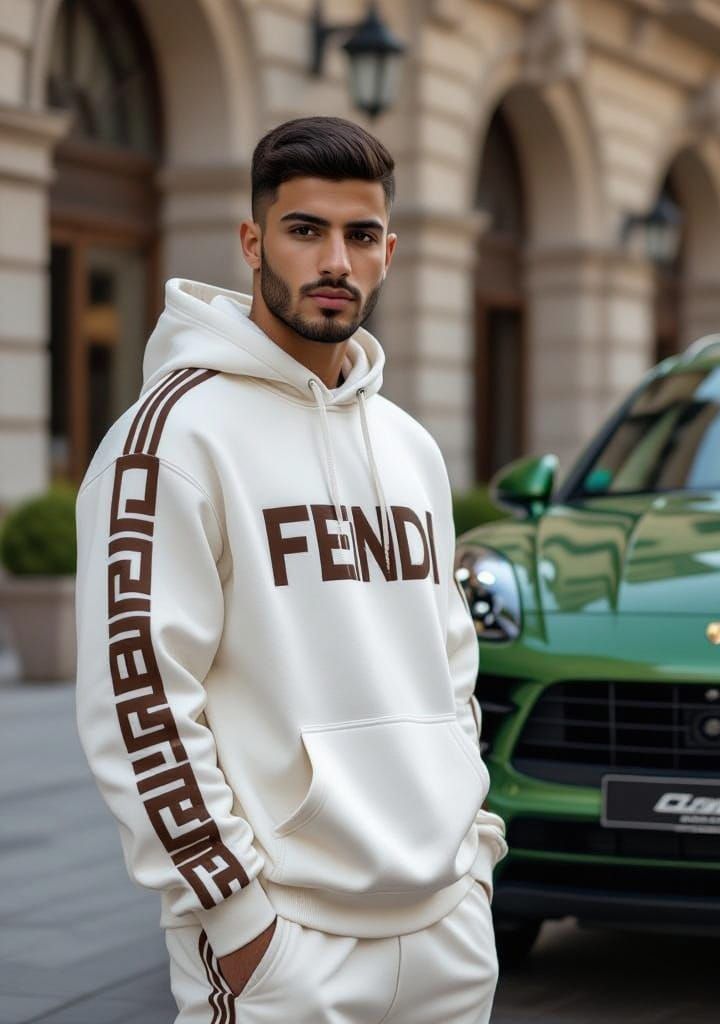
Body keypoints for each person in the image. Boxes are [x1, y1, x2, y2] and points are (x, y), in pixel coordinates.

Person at [74, 115, 507, 1024]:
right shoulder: (171, 440)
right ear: (252, 242)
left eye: (359, 235)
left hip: (447, 929)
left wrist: (477, 855)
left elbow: (450, 661)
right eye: (305, 230)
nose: (334, 261)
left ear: (389, 251)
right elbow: (140, 695)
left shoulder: (410, 446)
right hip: (286, 943)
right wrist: (236, 918)